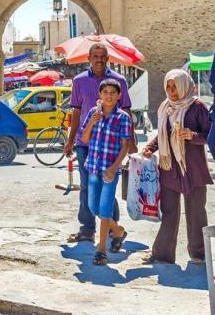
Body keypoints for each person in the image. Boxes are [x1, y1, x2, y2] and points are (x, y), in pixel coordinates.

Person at [63, 43, 133, 243]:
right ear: (89, 58)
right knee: (86, 186)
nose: (99, 59)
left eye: (103, 56)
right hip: (86, 143)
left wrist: (132, 143)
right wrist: (70, 141)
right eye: (95, 56)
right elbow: (76, 111)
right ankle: (88, 228)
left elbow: (127, 110)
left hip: (111, 143)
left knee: (108, 186)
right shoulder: (79, 81)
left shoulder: (119, 81)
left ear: (108, 58)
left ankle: (111, 228)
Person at [142, 69, 212, 265]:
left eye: (175, 87)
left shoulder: (197, 107)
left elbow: (211, 136)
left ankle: (199, 255)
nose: (172, 91)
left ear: (184, 86)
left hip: (193, 170)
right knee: (169, 211)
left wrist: (192, 136)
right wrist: (149, 148)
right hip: (169, 169)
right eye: (168, 87)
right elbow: (161, 134)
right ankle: (162, 254)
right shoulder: (165, 107)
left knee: (197, 213)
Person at [78, 79, 131, 265]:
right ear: (100, 95)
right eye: (105, 92)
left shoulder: (122, 117)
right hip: (93, 166)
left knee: (105, 208)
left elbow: (125, 145)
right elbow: (84, 138)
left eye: (112, 93)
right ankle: (117, 232)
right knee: (94, 208)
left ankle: (101, 250)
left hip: (110, 169)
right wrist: (92, 122)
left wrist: (115, 167)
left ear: (118, 96)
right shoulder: (93, 113)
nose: (108, 95)